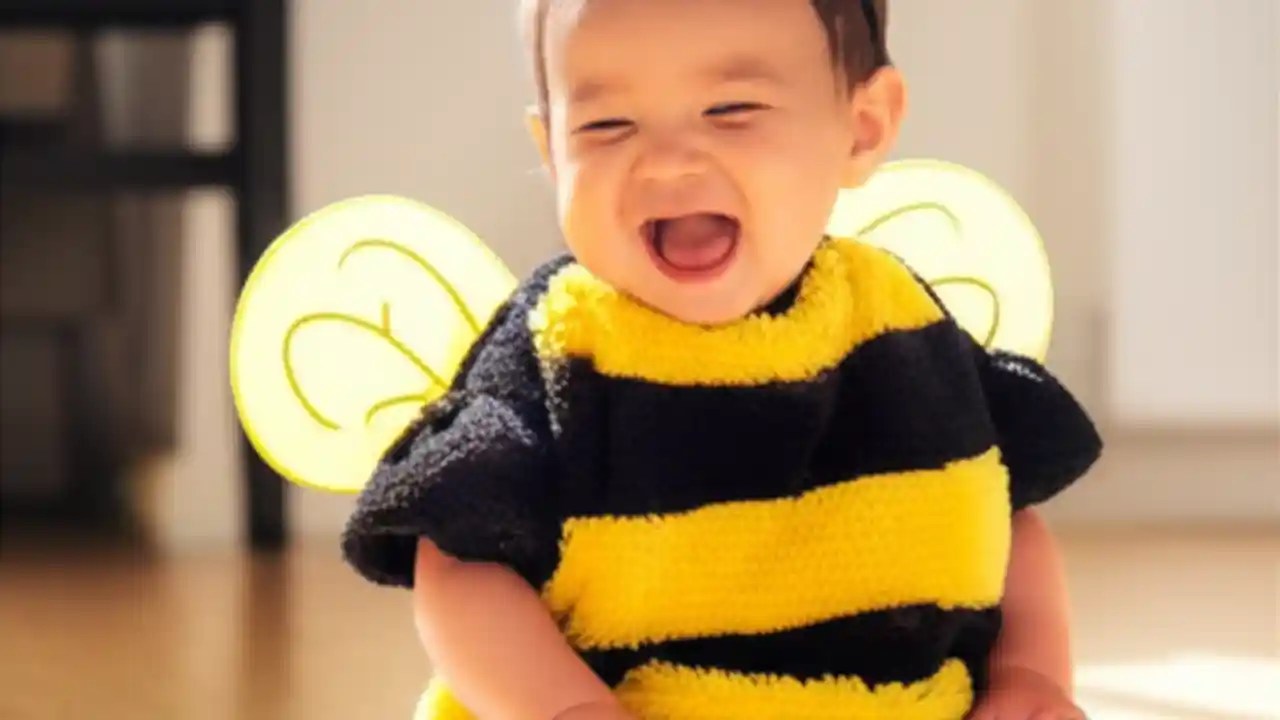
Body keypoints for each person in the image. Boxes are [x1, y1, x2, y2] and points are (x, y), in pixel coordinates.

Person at [341, 1, 1103, 718]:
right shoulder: (561, 351)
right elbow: (459, 566)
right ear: (551, 150)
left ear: (862, 126)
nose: (667, 161)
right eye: (607, 124)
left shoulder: (899, 330)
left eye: (731, 109)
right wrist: (569, 708)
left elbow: (1001, 514)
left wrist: (1030, 675)